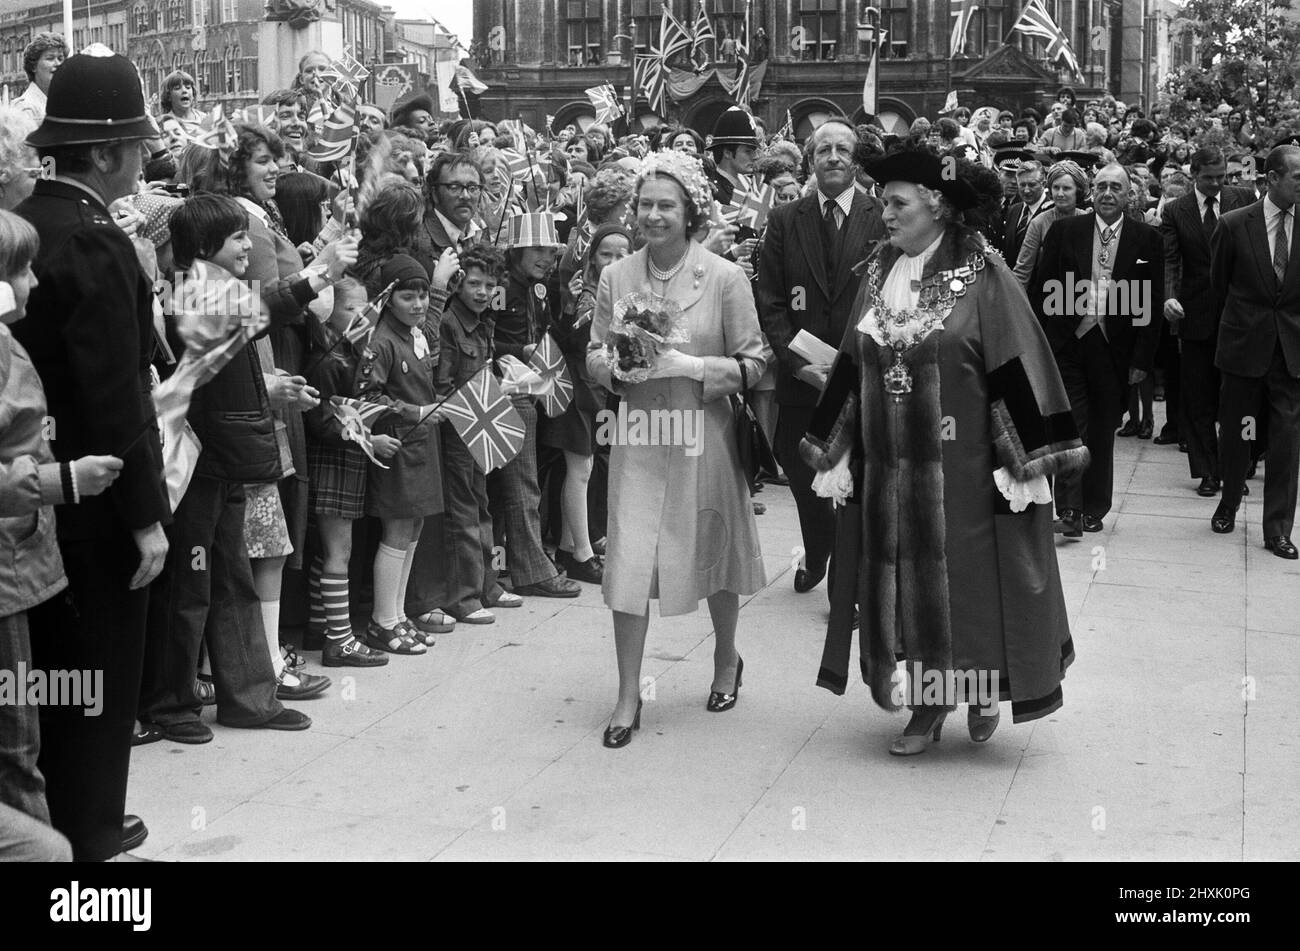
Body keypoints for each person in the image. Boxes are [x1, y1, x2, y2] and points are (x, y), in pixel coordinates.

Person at [801, 145, 1087, 755]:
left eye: (896, 203)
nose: (885, 213)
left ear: (936, 206)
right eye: (882, 203)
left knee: (970, 584)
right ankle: (927, 705)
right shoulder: (878, 273)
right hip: (888, 467)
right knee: (906, 588)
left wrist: (1027, 462)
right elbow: (853, 362)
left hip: (964, 469)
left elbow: (1017, 362)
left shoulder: (984, 274)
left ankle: (981, 689)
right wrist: (839, 448)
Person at [13, 49, 170, 861]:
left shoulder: (24, 225)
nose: (145, 158)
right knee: (101, 685)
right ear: (106, 152)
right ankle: (91, 831)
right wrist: (145, 515)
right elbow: (118, 397)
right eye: (137, 145)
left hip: (34, 495)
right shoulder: (96, 242)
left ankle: (55, 823)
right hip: (96, 499)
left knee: (49, 679)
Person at [586, 150, 766, 748]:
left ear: (690, 211)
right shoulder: (617, 275)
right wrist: (617, 370)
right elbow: (593, 352)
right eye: (645, 204)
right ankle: (627, 694)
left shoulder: (724, 276)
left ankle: (725, 660)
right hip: (639, 436)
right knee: (630, 559)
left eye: (667, 205)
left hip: (702, 435)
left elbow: (756, 362)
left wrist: (695, 365)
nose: (654, 215)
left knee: (711, 551)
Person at [139, 194, 320, 742]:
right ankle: (172, 707)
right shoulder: (186, 296)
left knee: (232, 581)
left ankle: (249, 699)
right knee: (189, 590)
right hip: (197, 462)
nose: (249, 245)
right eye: (237, 236)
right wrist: (318, 275)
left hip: (225, 462)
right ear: (200, 247)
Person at [1, 208, 121, 863]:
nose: (32, 283)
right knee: (16, 744)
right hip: (5, 573)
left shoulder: (7, 339)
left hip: (21, 563)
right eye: (19, 271)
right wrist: (62, 482)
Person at [756, 118, 884, 597]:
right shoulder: (787, 218)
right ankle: (818, 548)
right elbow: (769, 297)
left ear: (855, 160)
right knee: (802, 470)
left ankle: (847, 585)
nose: (833, 156)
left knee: (854, 476)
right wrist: (795, 362)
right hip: (801, 375)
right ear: (810, 160)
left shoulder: (881, 215)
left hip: (861, 373)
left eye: (842, 149)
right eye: (823, 149)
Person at [1032, 163, 1165, 536]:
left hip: (1115, 348)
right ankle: (1070, 510)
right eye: (1102, 186)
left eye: (1116, 188)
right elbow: (1044, 289)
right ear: (1092, 192)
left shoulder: (1146, 240)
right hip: (1070, 342)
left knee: (1103, 429)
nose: (1108, 193)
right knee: (1071, 425)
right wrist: (1045, 343)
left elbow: (1151, 305)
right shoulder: (1065, 230)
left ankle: (1094, 507)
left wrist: (1142, 361)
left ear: (1128, 195)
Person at [1208, 144, 1300, 559]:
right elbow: (1218, 285)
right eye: (1297, 176)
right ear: (1272, 179)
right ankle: (1229, 500)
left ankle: (1278, 527)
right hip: (1244, 349)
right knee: (1239, 433)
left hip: (1291, 353)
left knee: (1286, 441)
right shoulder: (1233, 225)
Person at [355, 254, 447, 651]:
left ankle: (399, 615)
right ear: (389, 299)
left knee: (414, 528)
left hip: (422, 446)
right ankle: (383, 620)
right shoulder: (381, 341)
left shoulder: (416, 334)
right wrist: (415, 411)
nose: (419, 305)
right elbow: (367, 397)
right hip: (396, 448)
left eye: (424, 295)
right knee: (396, 531)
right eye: (409, 297)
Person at [489, 212, 582, 599]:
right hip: (506, 394)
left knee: (525, 485)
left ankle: (516, 564)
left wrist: (569, 311)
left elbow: (545, 337)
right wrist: (520, 351)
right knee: (520, 486)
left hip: (532, 391)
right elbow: (485, 340)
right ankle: (528, 569)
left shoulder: (538, 288)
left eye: (552, 250)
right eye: (540, 249)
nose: (548, 257)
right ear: (518, 250)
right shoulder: (501, 287)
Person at [302, 276, 389, 667]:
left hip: (344, 458)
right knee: (340, 551)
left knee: (328, 552)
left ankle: (319, 624)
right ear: (328, 312)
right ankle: (339, 641)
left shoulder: (351, 353)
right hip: (334, 457)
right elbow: (321, 421)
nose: (362, 315)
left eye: (366, 307)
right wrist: (365, 437)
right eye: (351, 308)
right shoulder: (326, 358)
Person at [1161, 146, 1258, 497]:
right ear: (1193, 175)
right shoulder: (1176, 211)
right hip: (1196, 316)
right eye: (1209, 178)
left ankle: (1235, 468)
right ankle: (1207, 471)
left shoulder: (1244, 198)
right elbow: (1171, 260)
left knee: (1237, 400)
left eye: (1222, 177)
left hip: (1240, 316)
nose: (1217, 183)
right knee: (1198, 397)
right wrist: (1169, 296)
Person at [546, 223, 633, 585]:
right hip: (577, 388)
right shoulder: (583, 292)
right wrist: (572, 306)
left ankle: (571, 546)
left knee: (588, 467)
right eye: (605, 253)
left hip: (602, 390)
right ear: (592, 257)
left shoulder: (627, 291)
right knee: (579, 469)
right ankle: (581, 555)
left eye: (621, 254)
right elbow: (573, 339)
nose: (613, 260)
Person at [1014, 159, 1089, 288]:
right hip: (1047, 298)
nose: (1060, 194)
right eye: (1056, 187)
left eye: (1066, 188)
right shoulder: (1039, 223)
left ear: (1078, 190)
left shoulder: (1087, 220)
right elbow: (1023, 271)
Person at [1001, 159, 1052, 267]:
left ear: (1043, 184)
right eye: (1022, 185)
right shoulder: (1013, 210)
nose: (1026, 190)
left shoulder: (1052, 213)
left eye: (1032, 185)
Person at [707, 107, 760, 206]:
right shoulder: (710, 191)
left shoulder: (752, 186)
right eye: (748, 151)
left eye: (755, 151)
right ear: (727, 152)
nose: (756, 156)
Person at [12, 33, 65, 124]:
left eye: (60, 58)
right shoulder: (25, 108)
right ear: (33, 66)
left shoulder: (62, 103)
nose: (58, 64)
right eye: (50, 58)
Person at [158, 70, 202, 137]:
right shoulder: (165, 123)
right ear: (169, 96)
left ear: (193, 93)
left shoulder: (205, 118)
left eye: (188, 87)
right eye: (177, 88)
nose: (184, 91)